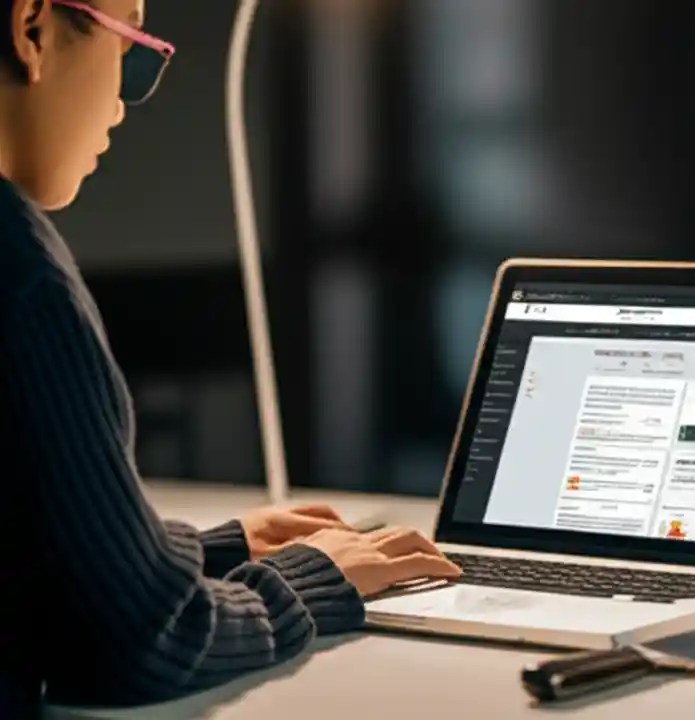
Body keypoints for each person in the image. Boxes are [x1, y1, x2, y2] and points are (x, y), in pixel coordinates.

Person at [0, 0, 462, 714]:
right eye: (132, 44)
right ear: (31, 29)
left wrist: (221, 549)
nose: (125, 106)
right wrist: (318, 576)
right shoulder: (18, 274)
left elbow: (38, 584)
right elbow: (145, 644)